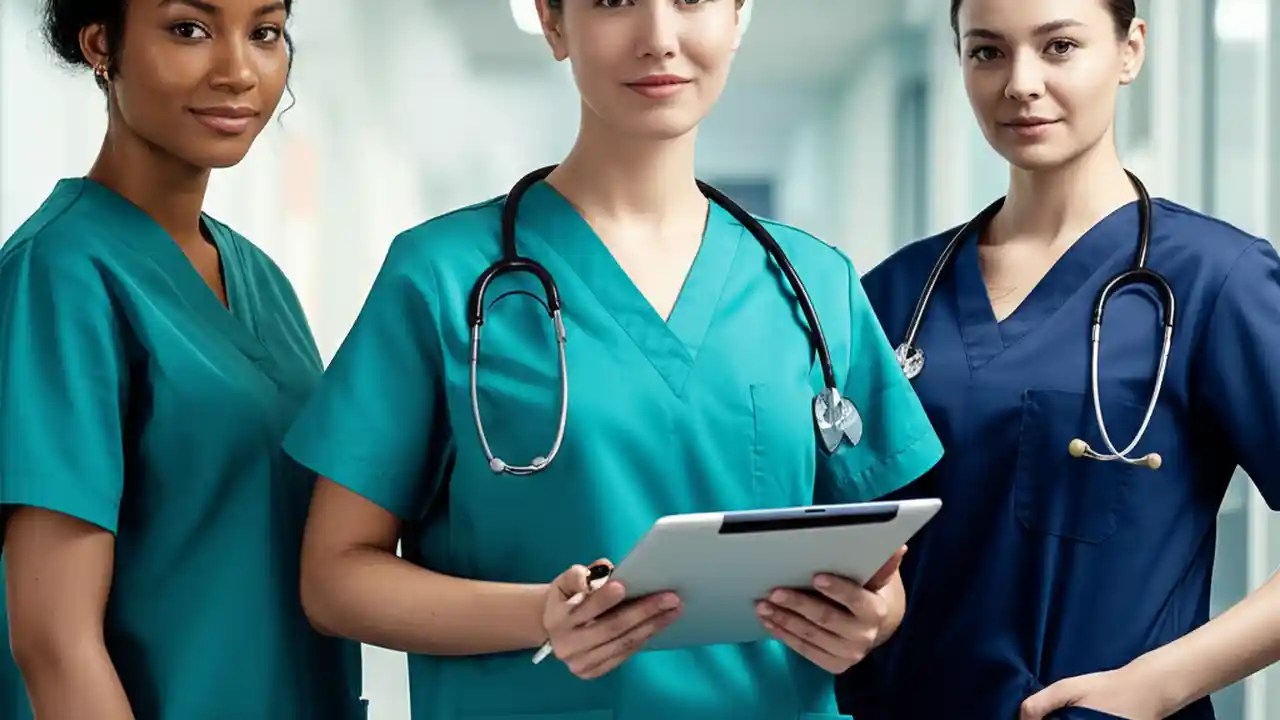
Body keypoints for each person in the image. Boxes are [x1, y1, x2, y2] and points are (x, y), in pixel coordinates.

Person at [281, 0, 943, 718]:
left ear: (739, 15)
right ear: (554, 22)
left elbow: (878, 565)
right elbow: (335, 580)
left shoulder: (815, 283)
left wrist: (873, 618)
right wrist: (540, 616)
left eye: (691, 0)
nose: (659, 39)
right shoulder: (441, 276)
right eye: (614, 1)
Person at [836, 0, 1280, 718]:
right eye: (987, 52)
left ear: (1130, 49)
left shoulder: (1213, 280)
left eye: (1060, 47)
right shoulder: (894, 292)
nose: (1020, 82)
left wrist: (1156, 685)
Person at [0, 1, 365, 718]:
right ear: (102, 44)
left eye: (264, 33)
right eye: (188, 30)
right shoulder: (59, 275)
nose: (237, 72)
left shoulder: (260, 278)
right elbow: (53, 642)